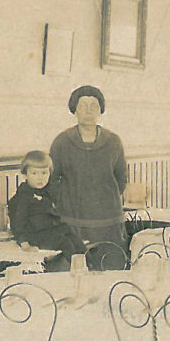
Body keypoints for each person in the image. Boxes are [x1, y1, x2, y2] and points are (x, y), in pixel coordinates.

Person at [49, 84, 129, 248]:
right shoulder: (62, 141)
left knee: (111, 264)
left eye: (94, 106)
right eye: (83, 106)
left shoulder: (114, 141)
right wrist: (66, 201)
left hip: (109, 220)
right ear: (74, 110)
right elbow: (52, 180)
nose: (88, 111)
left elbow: (121, 179)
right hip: (72, 219)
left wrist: (103, 200)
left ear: (101, 110)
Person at [7, 150, 85, 271]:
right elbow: (18, 222)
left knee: (75, 237)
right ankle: (78, 270)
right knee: (65, 242)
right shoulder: (24, 196)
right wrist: (24, 244)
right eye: (34, 173)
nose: (40, 178)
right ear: (25, 174)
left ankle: (90, 267)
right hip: (34, 234)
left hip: (49, 229)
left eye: (44, 173)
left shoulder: (47, 191)